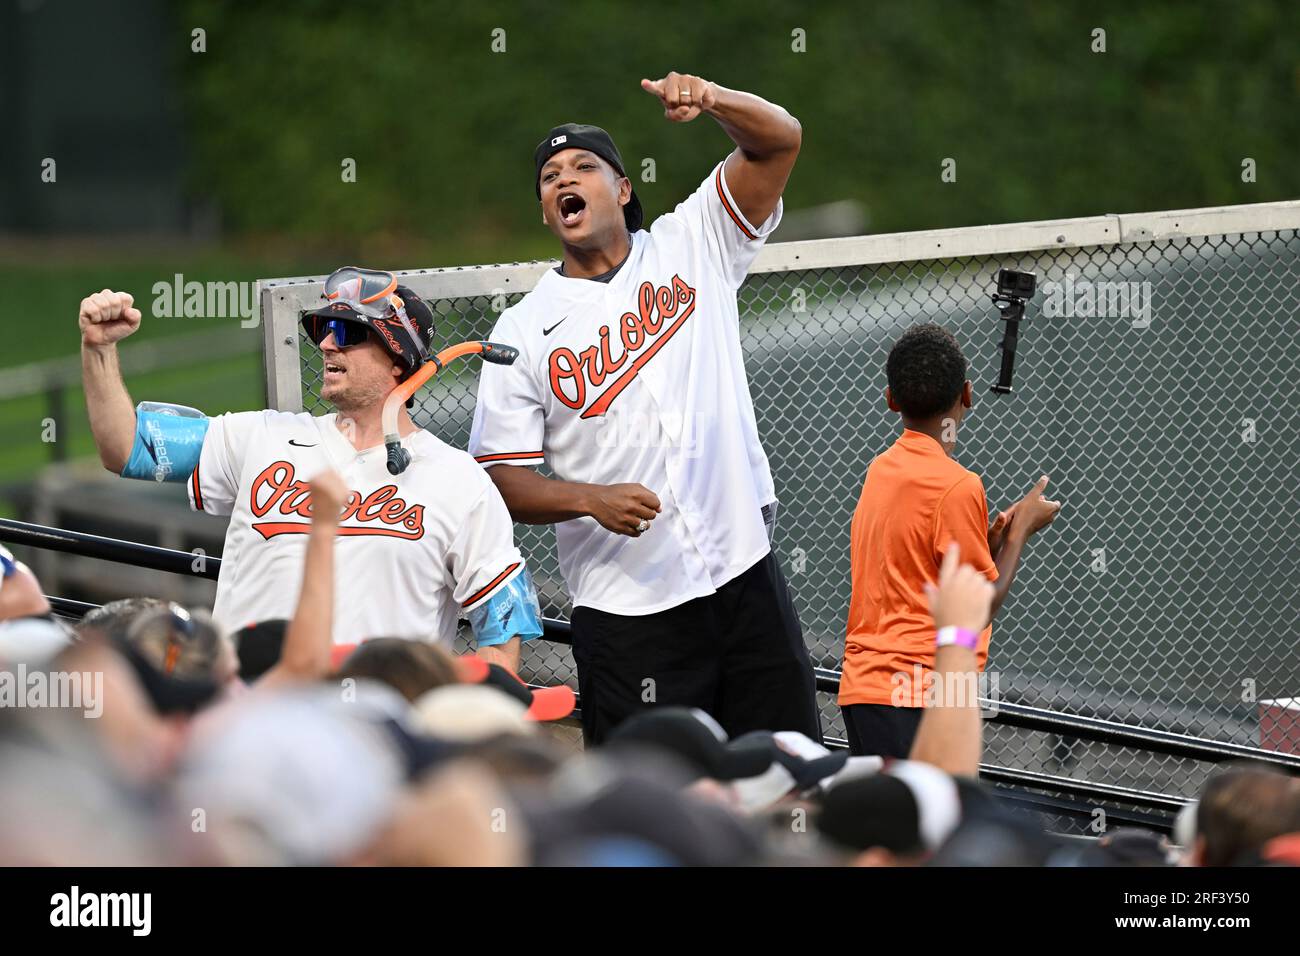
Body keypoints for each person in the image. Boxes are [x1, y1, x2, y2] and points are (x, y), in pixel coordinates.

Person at [469, 71, 819, 744]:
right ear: (547, 211)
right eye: (549, 176)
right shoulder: (521, 329)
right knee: (654, 803)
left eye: (584, 166)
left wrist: (712, 99)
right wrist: (587, 498)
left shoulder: (693, 243)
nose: (564, 179)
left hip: (742, 574)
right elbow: (499, 480)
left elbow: (780, 141)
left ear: (622, 189)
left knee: (786, 775)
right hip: (630, 615)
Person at [77, 269, 541, 669]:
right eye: (323, 328)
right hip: (246, 717)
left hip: (378, 738)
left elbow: (502, 622)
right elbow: (128, 449)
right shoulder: (260, 436)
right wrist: (98, 350)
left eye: (346, 333)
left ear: (399, 358)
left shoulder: (458, 479)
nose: (324, 343)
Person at [838, 324, 1063, 757]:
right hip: (917, 696)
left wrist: (990, 542)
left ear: (891, 400)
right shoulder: (959, 486)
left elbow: (922, 573)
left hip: (864, 692)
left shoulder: (879, 471)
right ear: (968, 394)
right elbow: (975, 611)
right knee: (934, 822)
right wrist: (1021, 532)